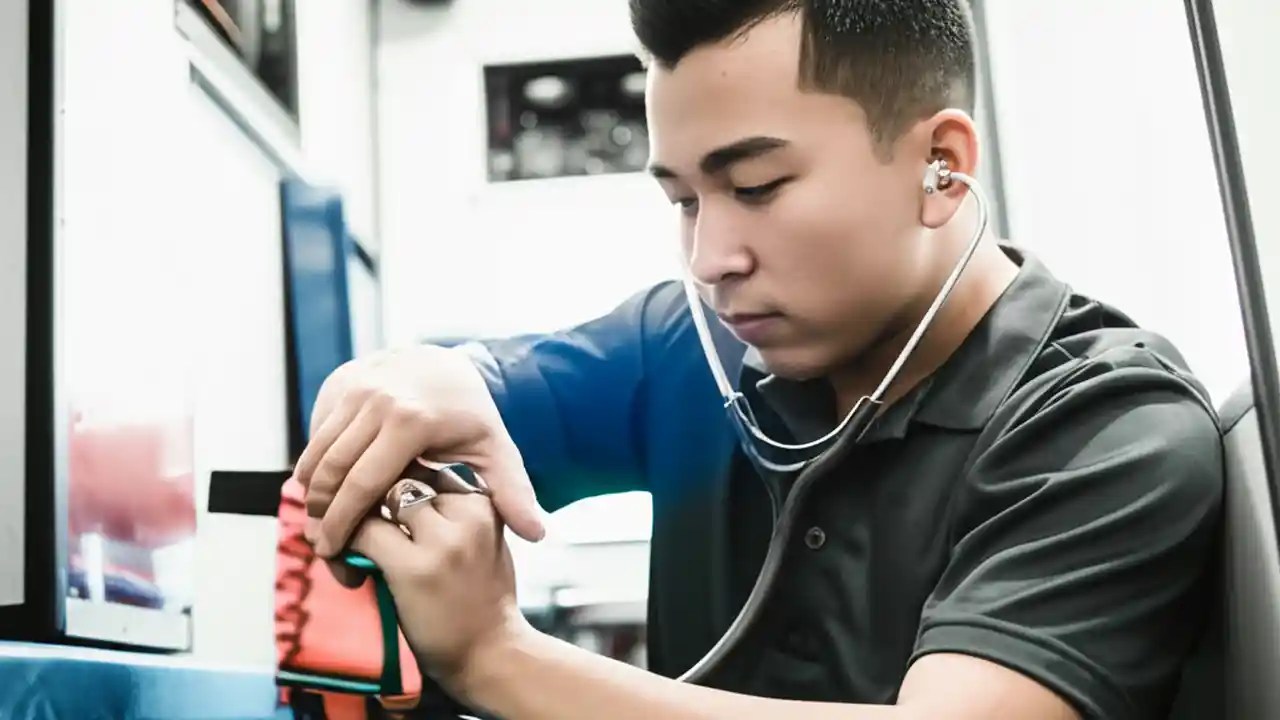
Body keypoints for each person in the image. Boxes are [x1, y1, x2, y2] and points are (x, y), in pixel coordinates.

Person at [292, 1, 1224, 718]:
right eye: (685, 200)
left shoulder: (1108, 430)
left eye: (755, 187)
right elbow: (468, 389)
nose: (710, 261)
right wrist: (401, 380)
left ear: (940, 164)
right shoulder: (688, 350)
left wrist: (498, 656)